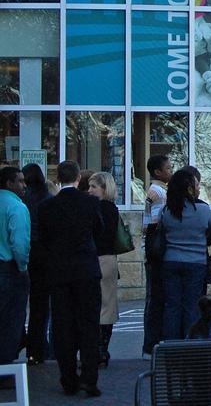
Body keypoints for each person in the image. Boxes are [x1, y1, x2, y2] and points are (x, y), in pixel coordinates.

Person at [36, 160, 103, 397]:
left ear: (58, 179)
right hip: (86, 270)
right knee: (89, 324)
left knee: (63, 326)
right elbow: (99, 231)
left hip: (59, 271)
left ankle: (68, 378)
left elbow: (41, 241)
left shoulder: (47, 207)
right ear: (78, 179)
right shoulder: (91, 203)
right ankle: (89, 378)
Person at [160, 169, 211, 341]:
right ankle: (190, 345)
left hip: (170, 260)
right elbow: (210, 232)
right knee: (191, 306)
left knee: (172, 306)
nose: (199, 188)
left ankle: (170, 345)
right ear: (190, 188)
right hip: (196, 262)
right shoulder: (203, 210)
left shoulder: (167, 211)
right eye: (197, 185)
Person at [0, 166, 30, 387]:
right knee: (11, 321)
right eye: (20, 181)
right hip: (8, 268)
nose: (24, 185)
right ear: (9, 184)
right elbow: (19, 244)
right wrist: (22, 267)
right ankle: (5, 369)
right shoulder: (16, 207)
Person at [87, 172, 120, 367]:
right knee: (107, 306)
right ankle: (101, 348)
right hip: (108, 258)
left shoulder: (97, 208)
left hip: (98, 258)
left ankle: (97, 348)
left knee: (99, 306)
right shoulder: (112, 209)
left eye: (94, 187)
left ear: (104, 188)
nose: (89, 190)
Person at [21, 163, 52, 366]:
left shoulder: (22, 200)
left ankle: (21, 341)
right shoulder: (47, 199)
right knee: (41, 305)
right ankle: (37, 349)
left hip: (25, 253)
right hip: (43, 255)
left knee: (18, 304)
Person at [142, 154, 173, 355]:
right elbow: (154, 224)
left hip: (154, 251)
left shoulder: (159, 191)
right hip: (157, 252)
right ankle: (151, 343)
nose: (171, 171)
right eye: (168, 168)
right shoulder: (158, 193)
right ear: (158, 172)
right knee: (156, 298)